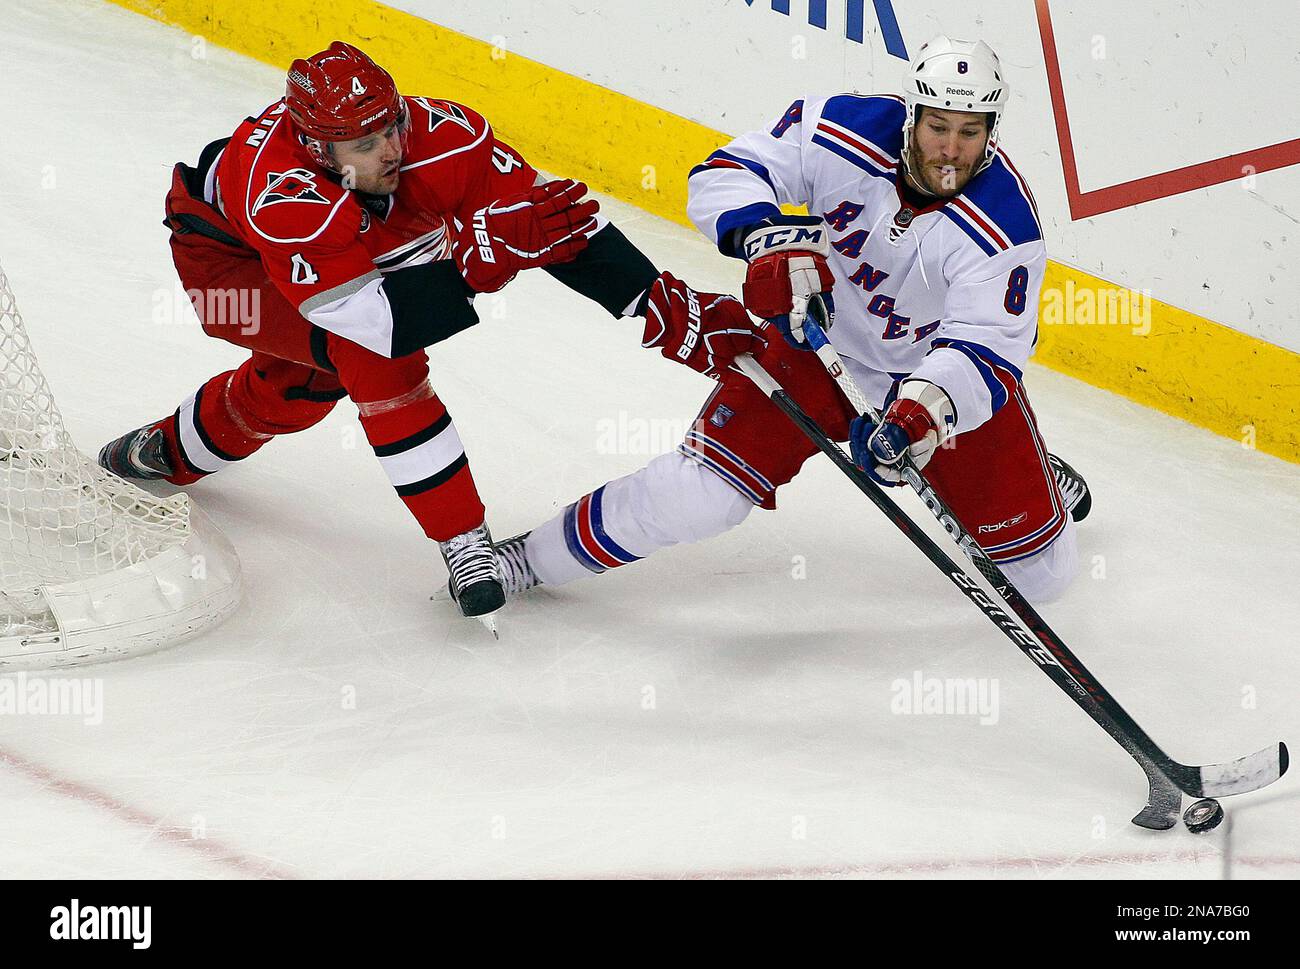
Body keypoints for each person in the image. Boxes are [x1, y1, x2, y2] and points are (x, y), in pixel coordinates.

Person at [97, 41, 758, 631]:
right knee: (363, 361)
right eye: (365, 143)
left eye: (392, 125)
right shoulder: (282, 195)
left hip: (344, 247)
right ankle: (463, 540)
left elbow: (553, 222)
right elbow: (380, 326)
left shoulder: (446, 135)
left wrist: (668, 306)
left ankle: (168, 448)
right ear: (317, 150)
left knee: (301, 383)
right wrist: (475, 258)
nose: (390, 148)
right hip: (230, 270)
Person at [494, 35, 1091, 607]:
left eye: (970, 132)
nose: (951, 150)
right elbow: (724, 172)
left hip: (930, 383)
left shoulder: (1006, 225)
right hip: (815, 343)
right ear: (911, 117)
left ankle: (1041, 476)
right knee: (700, 495)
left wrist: (917, 421)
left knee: (1045, 579)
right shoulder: (841, 129)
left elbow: (986, 348)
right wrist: (766, 239)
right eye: (938, 127)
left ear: (991, 133)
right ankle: (528, 560)